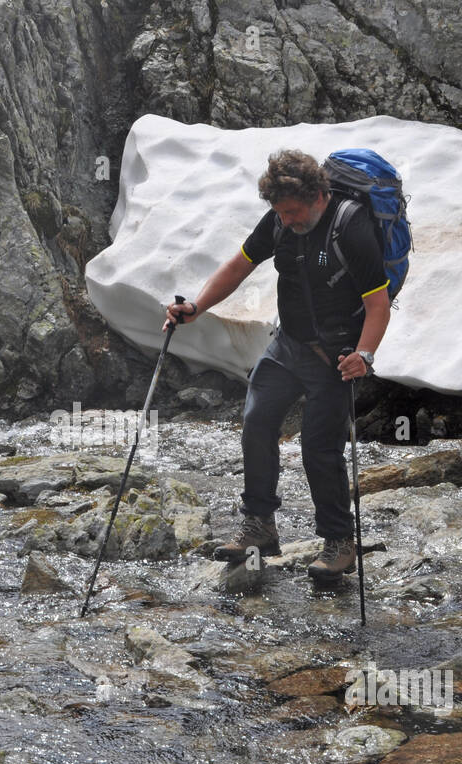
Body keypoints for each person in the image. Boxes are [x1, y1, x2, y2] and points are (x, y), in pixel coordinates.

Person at [162, 149, 392, 582]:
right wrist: (196, 306)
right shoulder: (279, 222)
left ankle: (339, 542)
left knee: (319, 449)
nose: (286, 220)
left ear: (319, 196)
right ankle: (260, 527)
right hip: (287, 345)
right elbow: (239, 265)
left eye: (293, 211)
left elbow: (378, 306)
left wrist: (364, 356)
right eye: (280, 212)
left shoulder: (351, 228)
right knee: (257, 421)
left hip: (336, 359)